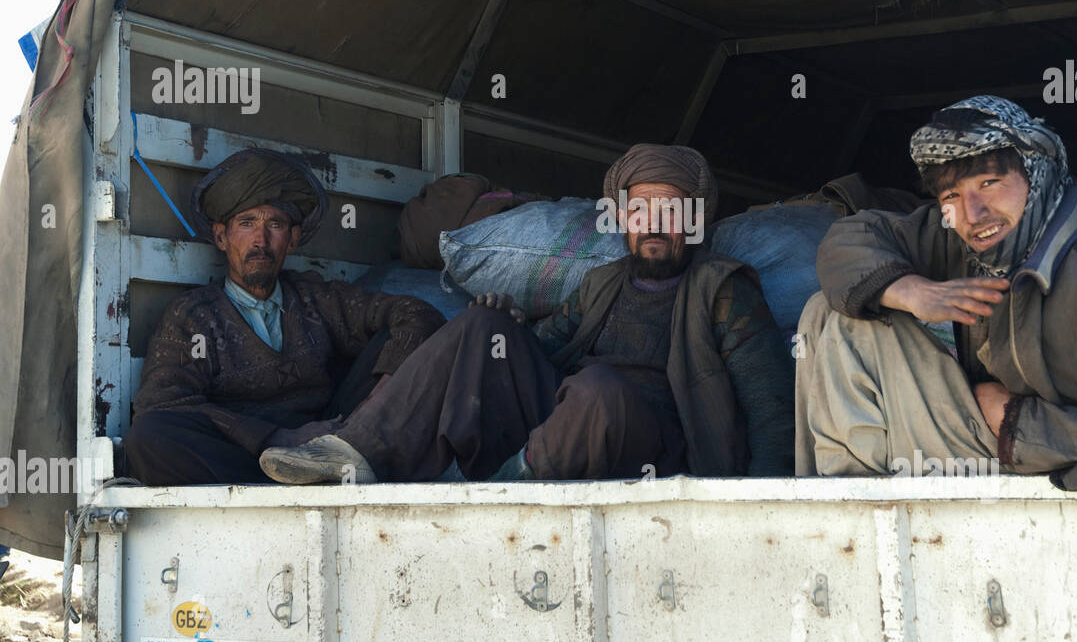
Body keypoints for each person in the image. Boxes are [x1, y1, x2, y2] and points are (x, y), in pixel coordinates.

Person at [259, 143, 795, 483]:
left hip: (657, 445)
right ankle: (359, 451)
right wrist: (507, 331)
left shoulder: (723, 291)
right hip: (570, 420)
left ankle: (504, 484)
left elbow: (770, 408)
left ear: (692, 221)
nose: (653, 223)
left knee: (598, 389)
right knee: (481, 323)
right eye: (640, 209)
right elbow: (543, 346)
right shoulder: (601, 282)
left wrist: (763, 503)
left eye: (669, 210)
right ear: (623, 219)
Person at [796, 96, 1077, 490]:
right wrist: (910, 290)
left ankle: (854, 505)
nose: (973, 214)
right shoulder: (955, 236)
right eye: (952, 195)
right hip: (975, 425)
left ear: (1036, 174)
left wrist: (1016, 422)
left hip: (1014, 453)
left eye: (991, 182)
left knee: (848, 325)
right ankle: (843, 503)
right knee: (826, 308)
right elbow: (849, 241)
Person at [124, 149, 446, 485]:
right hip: (248, 460)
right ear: (221, 236)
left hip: (334, 447)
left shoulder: (316, 298)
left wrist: (371, 409)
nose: (260, 240)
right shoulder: (193, 317)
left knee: (402, 337)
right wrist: (277, 437)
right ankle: (282, 487)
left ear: (291, 239)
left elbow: (415, 313)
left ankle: (335, 465)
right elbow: (162, 405)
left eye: (274, 224)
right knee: (152, 433)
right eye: (247, 223)